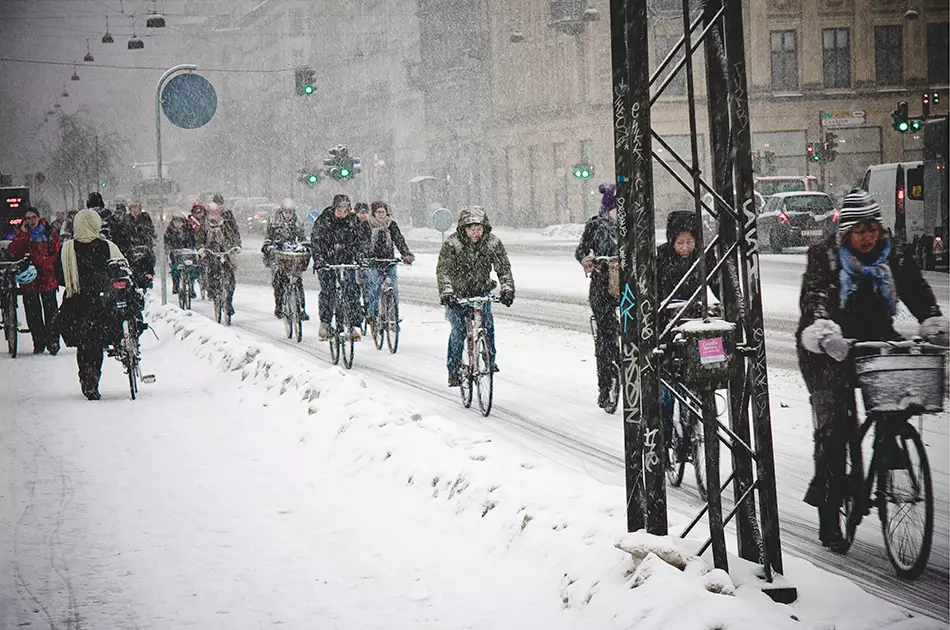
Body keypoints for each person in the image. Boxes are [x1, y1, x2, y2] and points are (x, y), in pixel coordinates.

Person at [797, 188, 948, 553]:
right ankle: (831, 514)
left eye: (873, 229)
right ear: (846, 232)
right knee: (836, 429)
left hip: (875, 336)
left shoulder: (893, 254)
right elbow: (815, 298)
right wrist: (825, 332)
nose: (868, 237)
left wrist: (931, 320)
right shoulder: (826, 257)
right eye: (860, 230)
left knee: (898, 400)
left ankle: (890, 445)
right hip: (827, 346)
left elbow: (916, 289)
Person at [436, 207, 514, 387]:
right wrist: (447, 292)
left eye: (479, 229)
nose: (476, 233)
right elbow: (444, 270)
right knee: (459, 331)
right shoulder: (452, 244)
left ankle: (489, 359)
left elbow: (503, 268)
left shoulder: (492, 243)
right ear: (463, 228)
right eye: (472, 229)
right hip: (457, 295)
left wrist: (507, 288)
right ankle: (454, 369)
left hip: (481, 291)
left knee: (487, 325)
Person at [55, 209, 126, 400]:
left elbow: (59, 276)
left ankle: (86, 378)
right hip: (103, 303)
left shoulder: (67, 249)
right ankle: (93, 378)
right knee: (96, 343)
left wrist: (75, 281)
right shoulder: (108, 247)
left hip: (77, 303)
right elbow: (122, 271)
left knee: (85, 345)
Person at [575, 184, 619, 409]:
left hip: (629, 287)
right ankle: (605, 387)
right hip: (602, 286)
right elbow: (581, 250)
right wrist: (588, 260)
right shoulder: (595, 225)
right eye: (615, 209)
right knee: (606, 337)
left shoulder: (635, 223)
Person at [7, 207, 62, 354]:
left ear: (38, 217)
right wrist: (24, 235)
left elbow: (56, 251)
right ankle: (39, 342)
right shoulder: (22, 234)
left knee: (51, 312)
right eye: (28, 218)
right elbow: (13, 250)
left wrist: (45, 262)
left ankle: (53, 342)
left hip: (46, 276)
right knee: (33, 313)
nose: (31, 221)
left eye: (33, 217)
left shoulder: (48, 232)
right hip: (29, 279)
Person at [311, 194, 365, 341]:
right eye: (339, 211)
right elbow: (315, 241)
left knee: (352, 290)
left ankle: (352, 325)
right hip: (327, 261)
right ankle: (325, 323)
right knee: (328, 292)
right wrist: (319, 259)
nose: (342, 214)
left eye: (345, 211)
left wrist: (359, 256)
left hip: (346, 259)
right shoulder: (324, 220)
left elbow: (359, 241)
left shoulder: (353, 221)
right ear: (334, 209)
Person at [364, 201, 414, 328]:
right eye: (378, 212)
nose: (381, 215)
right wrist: (365, 256)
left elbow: (399, 240)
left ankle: (393, 316)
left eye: (383, 212)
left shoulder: (391, 225)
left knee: (394, 289)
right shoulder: (366, 226)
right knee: (374, 287)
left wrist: (406, 254)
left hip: (389, 261)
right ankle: (372, 315)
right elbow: (362, 242)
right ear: (373, 213)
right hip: (373, 262)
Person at [262, 198, 310, 320]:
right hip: (278, 254)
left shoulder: (297, 222)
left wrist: (305, 245)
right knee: (278, 279)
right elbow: (268, 237)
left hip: (293, 254)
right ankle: (279, 305)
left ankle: (301, 308)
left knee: (298, 281)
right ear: (282, 212)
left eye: (290, 213)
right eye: (286, 212)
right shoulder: (274, 222)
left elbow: (302, 237)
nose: (288, 215)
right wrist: (268, 246)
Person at [197, 204, 241, 316]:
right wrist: (201, 248)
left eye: (216, 212)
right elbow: (199, 238)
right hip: (211, 253)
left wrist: (236, 246)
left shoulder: (226, 224)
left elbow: (234, 235)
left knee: (230, 279)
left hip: (226, 252)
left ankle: (228, 303)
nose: (214, 215)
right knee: (211, 272)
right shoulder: (204, 224)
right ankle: (213, 293)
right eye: (211, 212)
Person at [125, 201, 156, 288]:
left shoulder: (145, 217)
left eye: (136, 208)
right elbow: (125, 232)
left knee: (149, 259)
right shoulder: (127, 219)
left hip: (144, 245)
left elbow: (150, 229)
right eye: (133, 208)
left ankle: (149, 276)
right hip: (131, 247)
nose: (135, 210)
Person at [164, 213, 197, 296]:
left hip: (188, 252)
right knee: (175, 268)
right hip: (176, 253)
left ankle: (191, 286)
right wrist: (170, 248)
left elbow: (193, 239)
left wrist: (190, 247)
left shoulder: (189, 229)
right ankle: (176, 284)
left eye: (180, 222)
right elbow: (167, 241)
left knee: (192, 268)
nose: (178, 224)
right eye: (176, 222)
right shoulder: (170, 230)